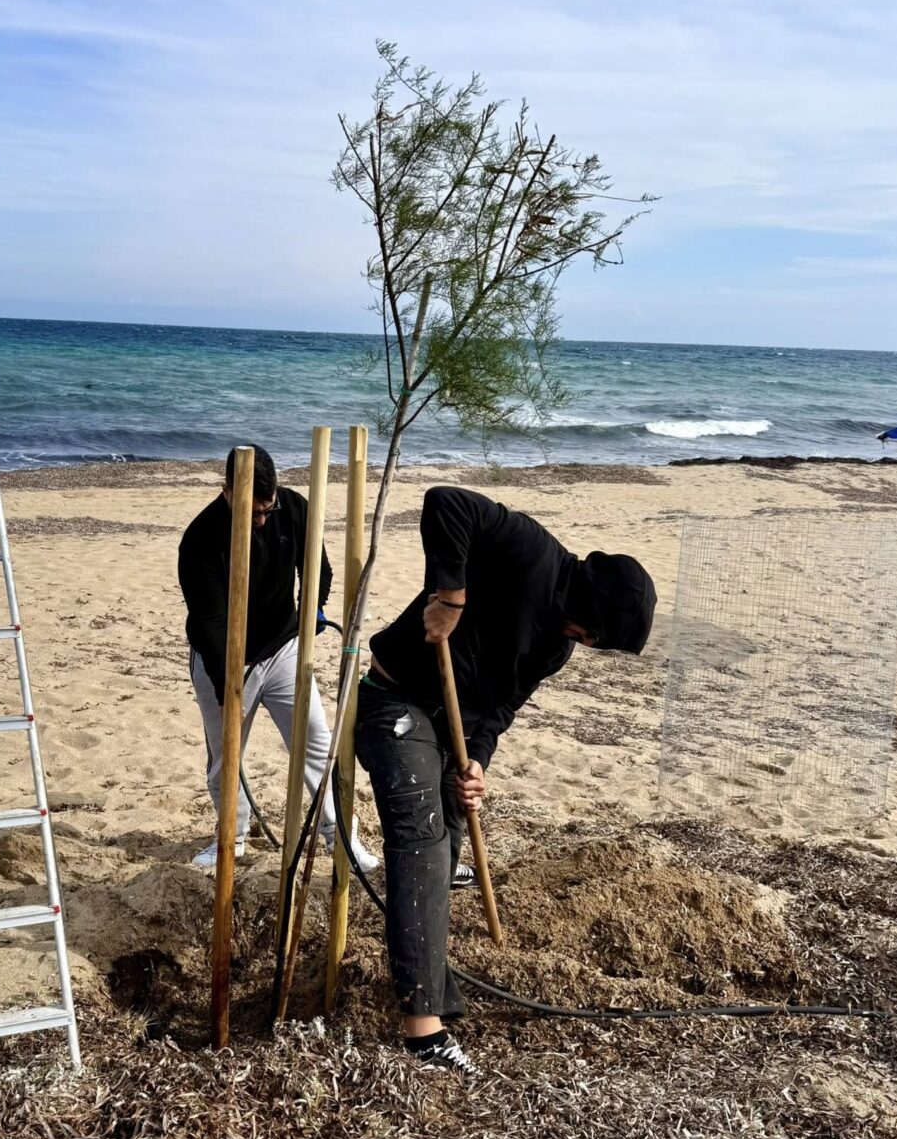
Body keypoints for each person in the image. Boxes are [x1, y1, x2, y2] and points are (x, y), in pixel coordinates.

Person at [356, 485, 656, 1074]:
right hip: (394, 702)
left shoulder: (556, 647)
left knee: (450, 835)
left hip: (455, 729)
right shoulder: (534, 551)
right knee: (421, 840)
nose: (591, 644)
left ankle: (428, 963)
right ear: (596, 604)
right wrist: (451, 598)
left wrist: (477, 763)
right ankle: (423, 1029)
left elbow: (499, 709)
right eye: (598, 635)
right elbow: (447, 504)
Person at [179, 444, 378, 872]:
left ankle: (341, 839)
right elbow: (210, 625)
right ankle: (231, 839)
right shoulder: (201, 538)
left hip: (284, 651)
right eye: (253, 513)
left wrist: (314, 608)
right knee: (225, 758)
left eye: (267, 510)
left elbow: (319, 568)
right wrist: (226, 685)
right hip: (226, 659)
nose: (262, 520)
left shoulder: (293, 508)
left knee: (317, 744)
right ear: (228, 492)